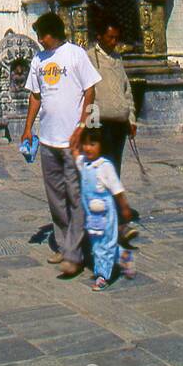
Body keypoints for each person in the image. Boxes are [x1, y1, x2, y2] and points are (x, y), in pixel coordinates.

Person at [22, 11, 101, 277]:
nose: (39, 40)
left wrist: (82, 125)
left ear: (52, 32)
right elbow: (35, 95)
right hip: (47, 138)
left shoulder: (75, 54)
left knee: (75, 195)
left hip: (73, 139)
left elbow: (90, 89)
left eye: (41, 35)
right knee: (55, 196)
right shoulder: (38, 59)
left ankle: (74, 253)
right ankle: (64, 243)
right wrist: (27, 129)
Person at [75, 125, 135, 291]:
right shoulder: (83, 163)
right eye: (85, 144)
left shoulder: (105, 167)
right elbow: (74, 153)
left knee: (103, 245)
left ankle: (103, 276)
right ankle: (123, 255)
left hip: (106, 215)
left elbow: (117, 190)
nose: (88, 148)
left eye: (93, 144)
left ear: (101, 146)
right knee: (97, 244)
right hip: (91, 216)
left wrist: (125, 208)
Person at [88, 18, 137, 176]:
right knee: (100, 166)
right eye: (110, 37)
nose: (114, 41)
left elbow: (126, 90)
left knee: (115, 167)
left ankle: (112, 199)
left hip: (119, 122)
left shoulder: (117, 58)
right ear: (100, 37)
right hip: (99, 122)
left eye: (116, 37)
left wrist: (131, 118)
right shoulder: (88, 58)